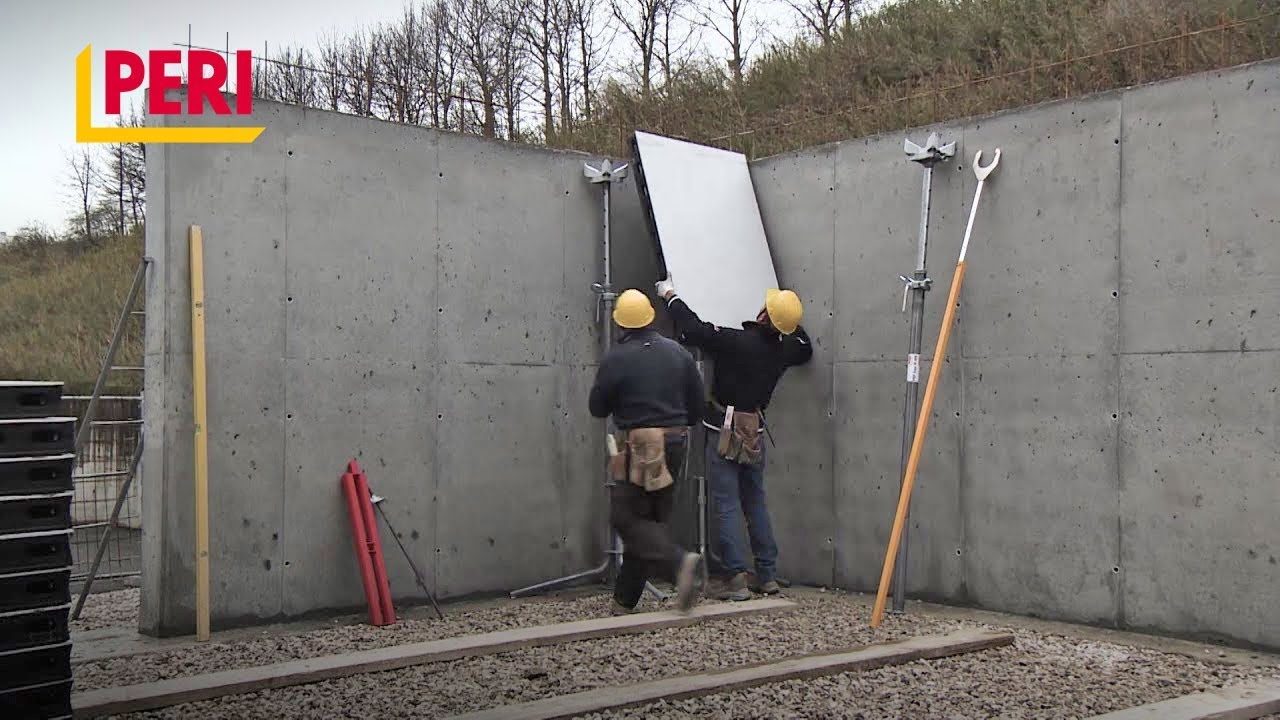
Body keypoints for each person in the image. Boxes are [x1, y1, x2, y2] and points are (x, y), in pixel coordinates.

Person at [656, 277, 812, 600]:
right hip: (753, 431)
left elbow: (694, 329)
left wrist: (670, 296)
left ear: (764, 315)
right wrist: (789, 323)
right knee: (755, 501)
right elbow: (804, 346)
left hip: (722, 430)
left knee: (726, 503)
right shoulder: (784, 350)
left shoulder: (735, 342)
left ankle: (737, 577)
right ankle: (767, 575)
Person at [589, 288, 707, 615]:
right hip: (675, 443)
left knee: (626, 518)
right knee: (651, 523)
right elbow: (697, 407)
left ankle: (680, 563)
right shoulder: (679, 353)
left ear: (621, 325)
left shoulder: (616, 357)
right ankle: (623, 603)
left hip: (640, 447)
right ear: (651, 317)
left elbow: (597, 407)